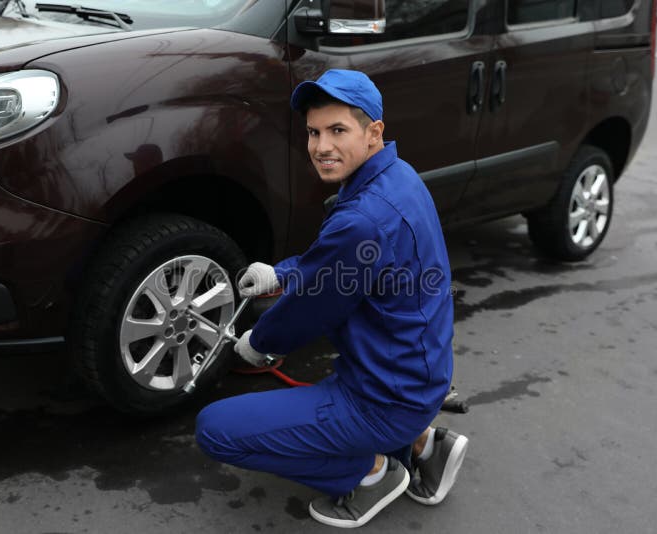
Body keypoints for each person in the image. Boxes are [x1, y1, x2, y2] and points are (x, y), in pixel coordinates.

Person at [195, 69, 468, 528]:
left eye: (338, 130)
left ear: (373, 131)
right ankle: (422, 444)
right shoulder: (398, 178)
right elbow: (339, 267)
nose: (321, 146)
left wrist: (258, 344)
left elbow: (309, 308)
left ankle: (372, 474)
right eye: (313, 132)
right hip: (420, 376)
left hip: (380, 398)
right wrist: (277, 274)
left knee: (216, 430)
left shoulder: (363, 217)